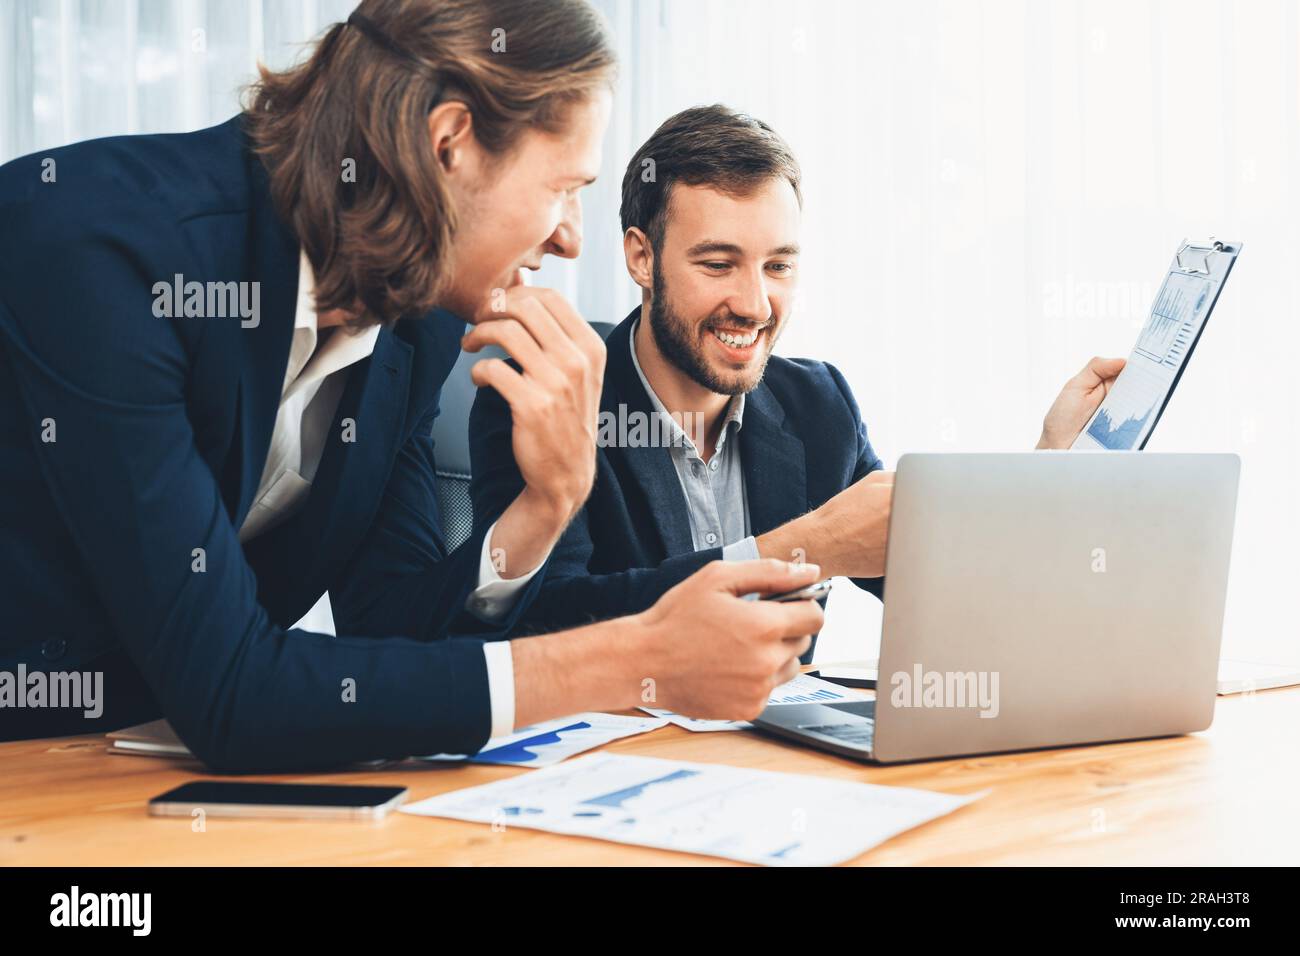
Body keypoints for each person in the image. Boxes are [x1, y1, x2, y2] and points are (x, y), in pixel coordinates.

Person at [0, 2, 823, 771]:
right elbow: (230, 689)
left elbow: (394, 631)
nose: (573, 240)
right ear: (449, 146)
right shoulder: (103, 251)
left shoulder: (418, 322)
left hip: (116, 769)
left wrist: (543, 508)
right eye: (563, 189)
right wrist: (636, 659)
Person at [469, 104, 1125, 637]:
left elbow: (956, 604)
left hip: (786, 777)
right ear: (641, 258)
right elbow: (542, 624)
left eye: (778, 266)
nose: (755, 304)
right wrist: (798, 548)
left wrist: (1045, 473)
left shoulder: (819, 404)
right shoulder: (547, 396)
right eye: (719, 264)